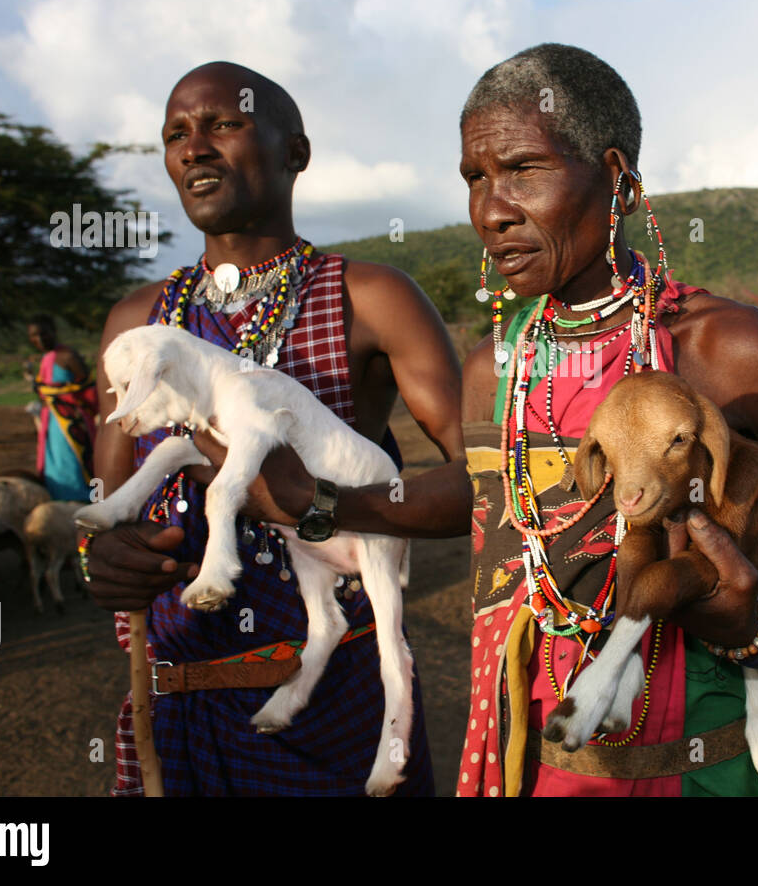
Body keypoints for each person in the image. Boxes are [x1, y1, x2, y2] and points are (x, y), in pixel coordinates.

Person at [456, 44, 758, 797]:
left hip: (727, 758)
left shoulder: (727, 347)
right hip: (548, 761)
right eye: (475, 178)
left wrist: (756, 630)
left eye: (523, 170)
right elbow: (497, 556)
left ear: (619, 180)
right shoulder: (492, 370)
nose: (492, 209)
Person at [84, 61, 470, 795]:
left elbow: (488, 480)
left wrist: (322, 507)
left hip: (335, 714)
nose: (194, 148)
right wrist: (102, 557)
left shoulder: (372, 297)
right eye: (176, 134)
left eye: (223, 124)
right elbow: (108, 501)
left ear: (296, 152)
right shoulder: (137, 322)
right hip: (174, 710)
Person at [28, 314, 99, 501]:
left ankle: (82, 501)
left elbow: (89, 389)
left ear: (54, 332)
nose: (40, 339)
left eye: (43, 334)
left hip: (71, 422)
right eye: (34, 336)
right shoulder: (46, 358)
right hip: (51, 421)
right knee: (55, 463)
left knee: (71, 462)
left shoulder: (68, 356)